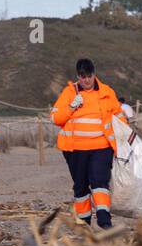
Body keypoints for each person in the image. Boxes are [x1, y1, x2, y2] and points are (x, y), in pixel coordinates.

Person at [51, 58, 120, 228]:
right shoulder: (69, 93)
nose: (86, 80)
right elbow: (55, 118)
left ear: (94, 74)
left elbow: (119, 117)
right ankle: (84, 224)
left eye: (89, 76)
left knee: (100, 182)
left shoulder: (107, 92)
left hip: (101, 147)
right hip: (75, 150)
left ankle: (104, 221)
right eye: (82, 77)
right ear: (78, 76)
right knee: (80, 186)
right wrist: (71, 107)